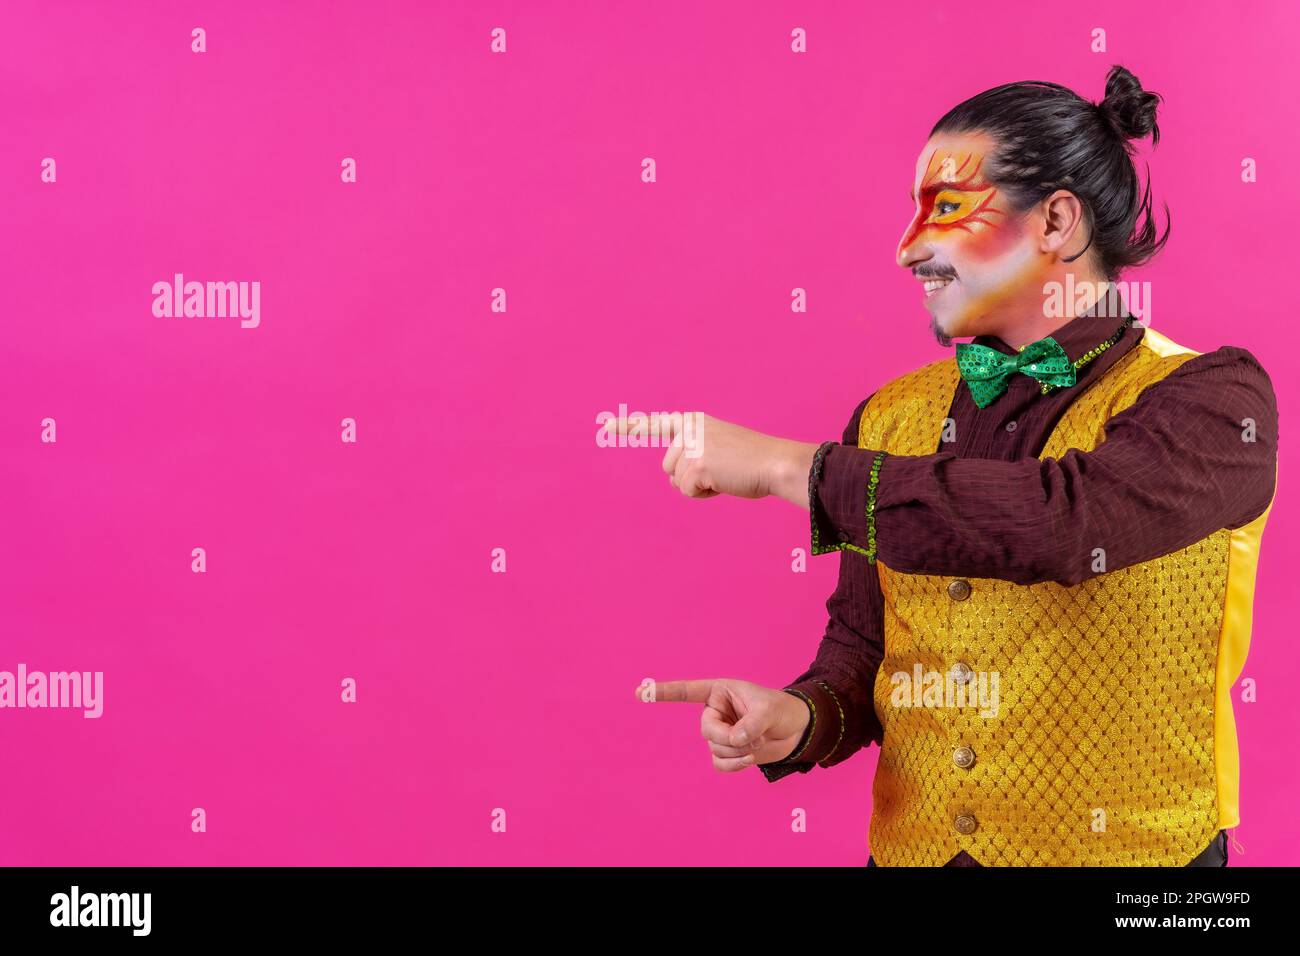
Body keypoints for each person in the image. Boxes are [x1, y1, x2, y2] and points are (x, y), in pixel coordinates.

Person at [623, 65, 1278, 867]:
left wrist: (787, 467)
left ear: (1058, 221)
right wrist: (804, 716)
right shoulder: (891, 414)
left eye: (947, 208)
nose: (907, 251)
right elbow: (866, 645)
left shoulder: (1217, 401)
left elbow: (1062, 523)